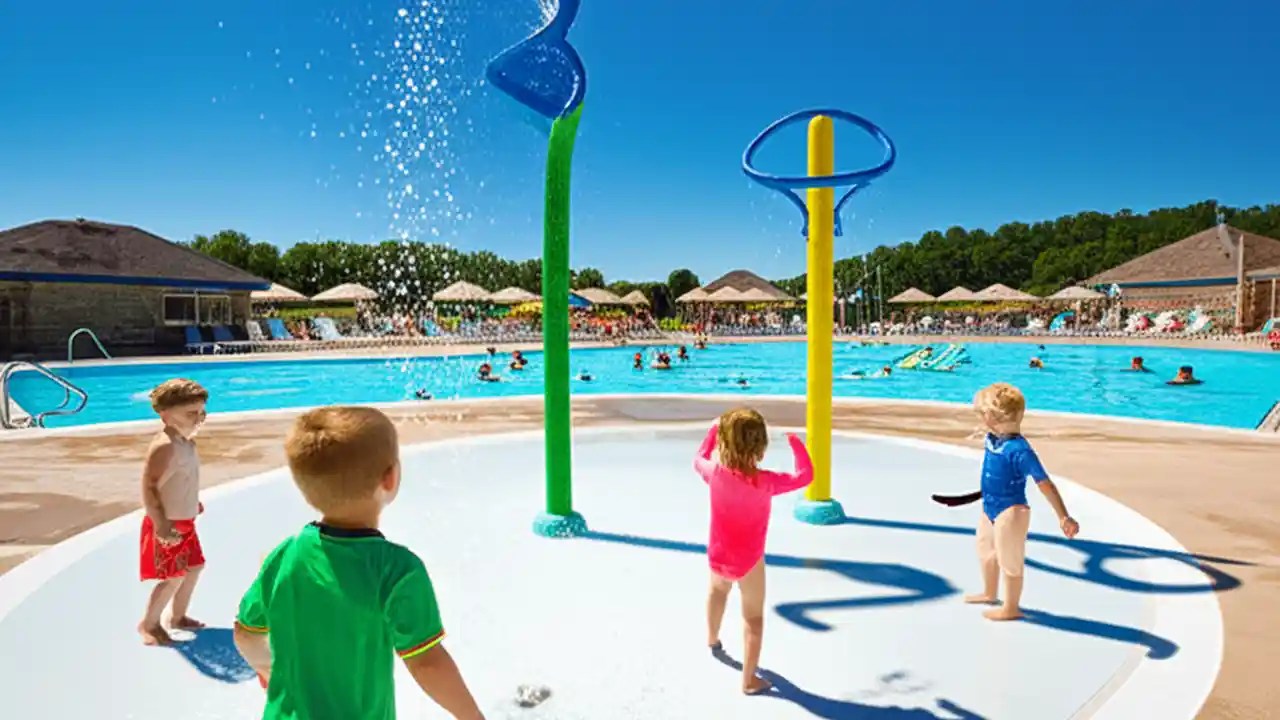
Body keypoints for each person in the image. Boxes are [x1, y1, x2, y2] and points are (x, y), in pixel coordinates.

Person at [233, 407, 484, 720]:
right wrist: (472, 716)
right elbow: (426, 662)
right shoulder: (395, 570)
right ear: (390, 479)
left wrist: (267, 668)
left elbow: (246, 634)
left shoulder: (284, 554)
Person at [694, 408, 813, 695]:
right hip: (749, 562)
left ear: (725, 443)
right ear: (761, 448)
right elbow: (805, 476)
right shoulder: (767, 482)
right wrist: (797, 442)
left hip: (717, 556)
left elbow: (698, 459)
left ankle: (712, 639)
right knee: (753, 619)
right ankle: (748, 680)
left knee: (717, 592)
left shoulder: (715, 474)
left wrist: (711, 433)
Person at [965, 383, 1079, 621]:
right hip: (990, 506)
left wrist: (1063, 516)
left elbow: (1044, 483)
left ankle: (1011, 607)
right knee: (986, 551)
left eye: (984, 414)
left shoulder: (1020, 450)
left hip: (1012, 510)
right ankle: (989, 592)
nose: (981, 418)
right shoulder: (993, 439)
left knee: (1010, 559)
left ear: (995, 416)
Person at [138, 378, 210, 646]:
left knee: (194, 567)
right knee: (173, 576)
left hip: (185, 520)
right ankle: (149, 624)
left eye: (202, 412)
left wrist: (193, 501)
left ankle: (177, 617)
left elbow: (181, 480)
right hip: (169, 524)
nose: (199, 419)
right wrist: (161, 526)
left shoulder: (186, 443)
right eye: (191, 414)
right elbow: (149, 488)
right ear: (165, 414)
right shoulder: (164, 446)